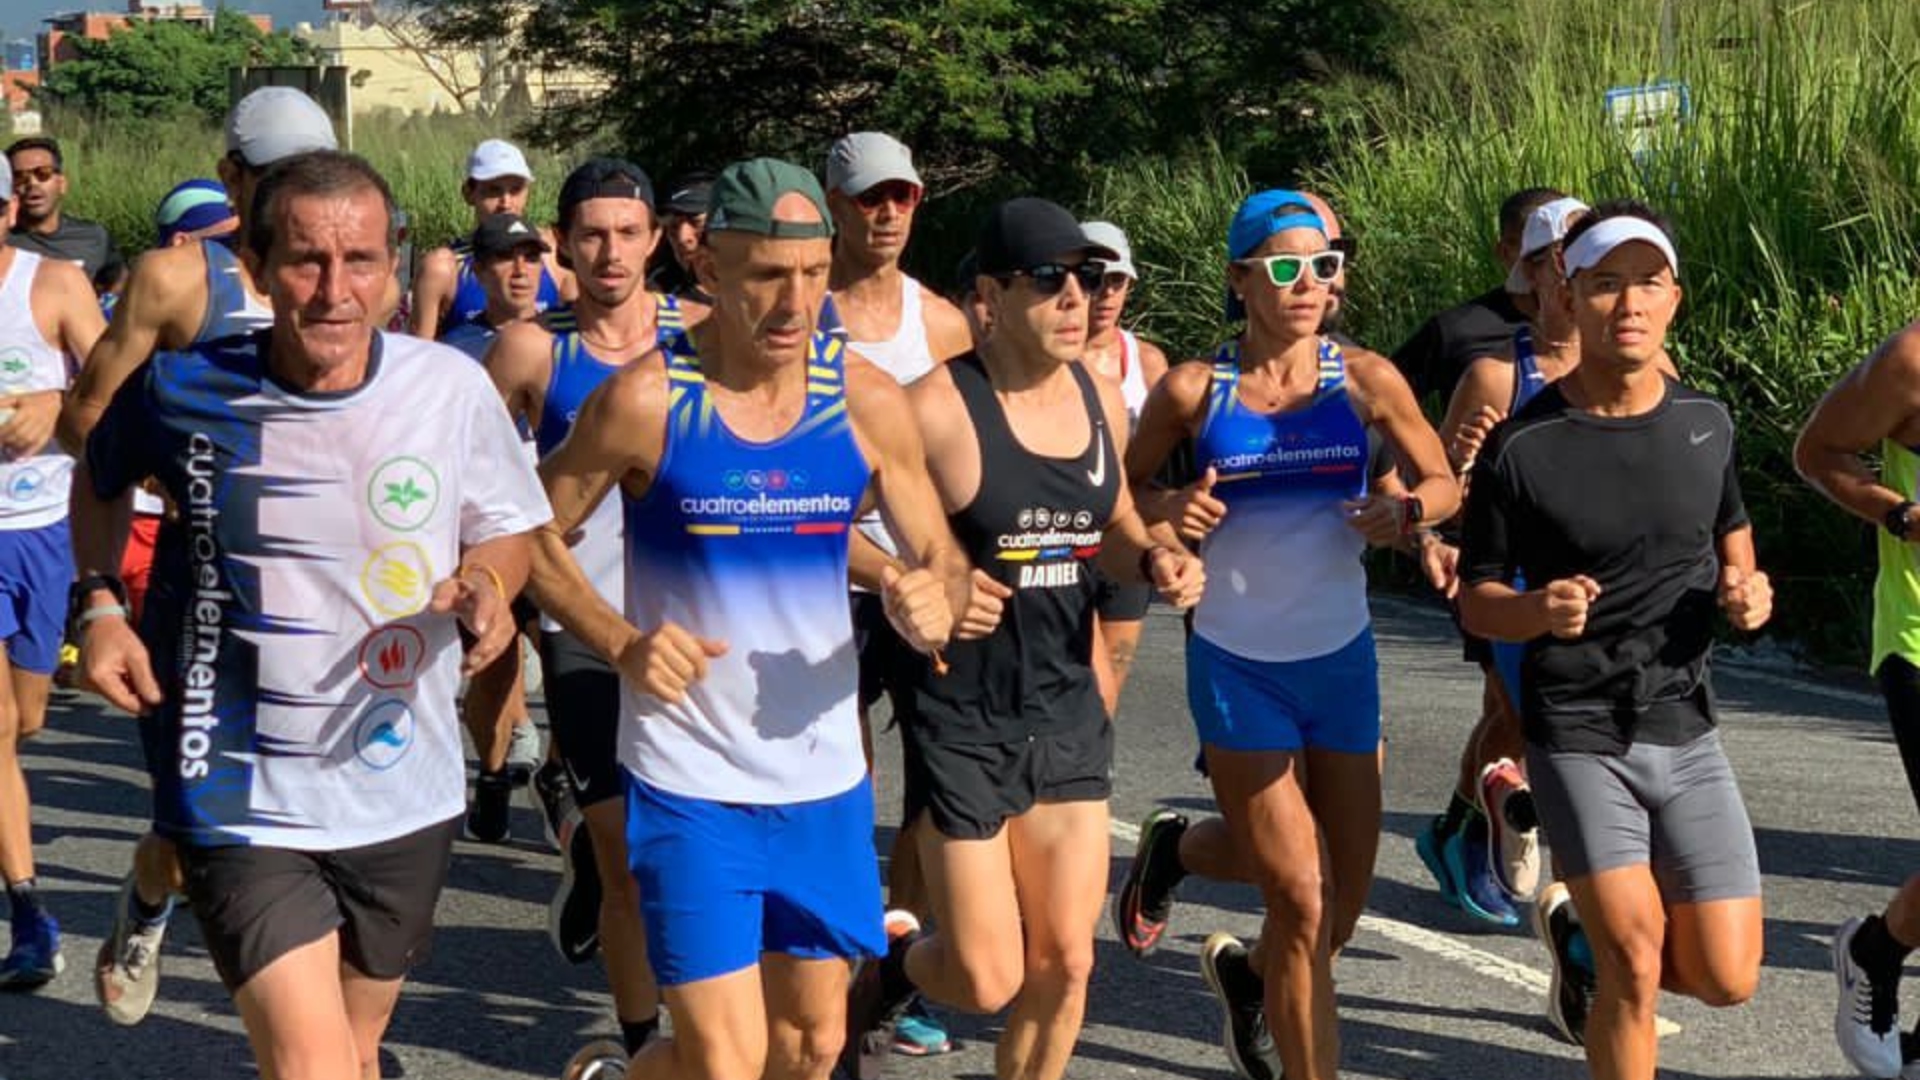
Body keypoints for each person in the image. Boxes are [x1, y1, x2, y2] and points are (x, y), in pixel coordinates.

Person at [71, 148, 550, 1080]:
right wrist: (98, 606)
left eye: (361, 262)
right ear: (254, 266)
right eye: (305, 261)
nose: (335, 291)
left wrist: (489, 589)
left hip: (400, 782)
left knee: (356, 1054)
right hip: (236, 778)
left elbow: (507, 528)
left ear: (394, 268)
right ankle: (161, 880)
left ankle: (149, 888)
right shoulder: (184, 389)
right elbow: (97, 480)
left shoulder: (447, 389)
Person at [527, 157, 965, 1080]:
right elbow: (527, 532)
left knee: (811, 1046)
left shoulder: (863, 399)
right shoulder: (647, 400)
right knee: (724, 1064)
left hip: (822, 780)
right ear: (710, 269)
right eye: (768, 274)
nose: (795, 300)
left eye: (812, 273)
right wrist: (621, 644)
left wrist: (929, 591)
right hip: (689, 778)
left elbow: (938, 559)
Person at [842, 197, 1206, 1080]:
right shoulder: (932, 408)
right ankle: (891, 969)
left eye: (1085, 277)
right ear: (987, 299)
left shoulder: (1097, 395)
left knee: (1068, 963)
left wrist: (1157, 555)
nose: (1075, 295)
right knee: (985, 973)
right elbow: (826, 527)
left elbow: (1114, 518)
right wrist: (910, 580)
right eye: (1048, 278)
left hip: (1066, 707)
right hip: (961, 715)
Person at [1114, 190, 1456, 1080]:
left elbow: (1444, 480)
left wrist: (1407, 511)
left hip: (1341, 661)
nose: (1309, 283)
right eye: (1285, 266)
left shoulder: (1367, 380)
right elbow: (1120, 495)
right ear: (1240, 280)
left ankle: (1192, 880)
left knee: (1335, 916)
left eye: (1326, 266)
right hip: (1236, 663)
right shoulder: (1194, 390)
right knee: (1301, 899)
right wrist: (1169, 514)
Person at [1458, 202, 1769, 1079]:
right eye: (1604, 285)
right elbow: (1479, 600)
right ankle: (1604, 937)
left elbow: (1732, 541)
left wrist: (1748, 595)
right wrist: (1537, 612)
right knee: (1634, 967)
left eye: (1647, 283)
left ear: (1675, 297)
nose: (1627, 303)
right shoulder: (1524, 446)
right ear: (1568, 294)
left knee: (1729, 976)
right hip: (1576, 728)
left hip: (1687, 727)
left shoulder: (1708, 422)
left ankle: (1582, 930)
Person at [55, 86, 341, 1028]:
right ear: (233, 177)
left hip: (323, 592)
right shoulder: (180, 280)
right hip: (203, 590)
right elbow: (89, 419)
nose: (296, 195)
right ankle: (148, 900)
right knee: (194, 832)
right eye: (274, 176)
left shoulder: (349, 274)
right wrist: (165, 480)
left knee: (323, 826)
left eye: (312, 171)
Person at [484, 156, 700, 1053]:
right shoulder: (533, 349)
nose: (611, 252)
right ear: (563, 243)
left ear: (656, 240)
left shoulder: (707, 335)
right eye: (592, 235)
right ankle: (644, 1042)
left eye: (628, 232)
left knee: (688, 849)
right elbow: (476, 475)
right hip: (585, 627)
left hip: (699, 626)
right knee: (627, 860)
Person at [821, 129, 973, 1058]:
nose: (885, 214)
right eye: (869, 198)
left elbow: (966, 466)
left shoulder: (944, 322)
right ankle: (835, 948)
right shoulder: (805, 312)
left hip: (924, 579)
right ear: (835, 206)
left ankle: (890, 952)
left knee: (931, 781)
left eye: (902, 197)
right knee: (844, 775)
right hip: (826, 570)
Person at [1413, 195, 1592, 928]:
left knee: (1511, 718)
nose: (1584, 279)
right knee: (1527, 715)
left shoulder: (1643, 361)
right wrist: (1463, 467)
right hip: (1505, 574)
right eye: (1568, 263)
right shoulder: (1492, 370)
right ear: (1540, 271)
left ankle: (1458, 826)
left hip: (1596, 574)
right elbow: (1444, 492)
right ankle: (1548, 874)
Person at [1795, 322, 1920, 1080]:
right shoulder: (1911, 361)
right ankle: (1874, 954)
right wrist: (1900, 515)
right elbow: (1818, 454)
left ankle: (1877, 950)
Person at [0, 152, 108, 989]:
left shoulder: (56, 285)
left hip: (44, 529)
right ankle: (30, 911)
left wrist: (52, 406)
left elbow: (117, 393)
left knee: (27, 723)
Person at [1077, 219, 1169, 713]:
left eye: (1118, 281)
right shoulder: (1047, 357)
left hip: (1126, 533)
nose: (1106, 293)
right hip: (1062, 539)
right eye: (1094, 278)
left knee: (1108, 686)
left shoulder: (1149, 363)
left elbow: (1167, 466)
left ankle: (1091, 776)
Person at [1390, 186, 1566, 405]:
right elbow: (1381, 401)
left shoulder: (1597, 326)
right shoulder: (1456, 331)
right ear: (1505, 253)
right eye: (1540, 251)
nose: (1563, 266)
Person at [410, 138, 572, 341]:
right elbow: (417, 357)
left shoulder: (552, 252)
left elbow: (580, 338)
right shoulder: (443, 267)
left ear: (527, 192)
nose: (506, 203)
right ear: (468, 193)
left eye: (515, 190)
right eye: (493, 190)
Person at [5, 136, 125, 288]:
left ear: (62, 184)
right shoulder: (3, 240)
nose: (32, 183)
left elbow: (118, 282)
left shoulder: (93, 237)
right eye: (19, 177)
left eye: (43, 173)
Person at [442, 212, 554, 362]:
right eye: (505, 257)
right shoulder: (456, 350)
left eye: (531, 257)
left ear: (542, 266)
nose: (520, 270)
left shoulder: (570, 338)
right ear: (479, 271)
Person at [647, 169, 714, 309]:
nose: (682, 238)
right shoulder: (657, 297)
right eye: (673, 227)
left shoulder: (761, 283)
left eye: (696, 223)